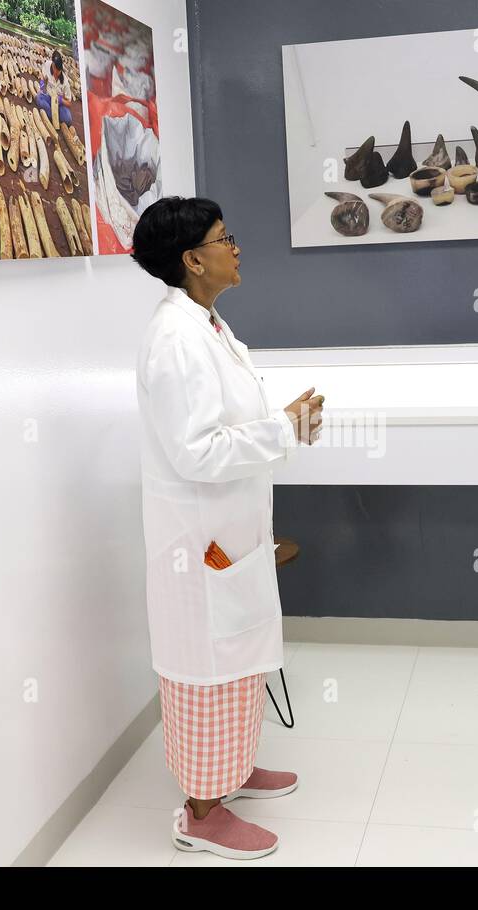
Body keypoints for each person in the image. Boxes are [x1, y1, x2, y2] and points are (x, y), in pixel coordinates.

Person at [130, 197, 324, 860]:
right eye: (224, 238)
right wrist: (282, 429)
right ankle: (200, 813)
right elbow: (196, 452)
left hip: (228, 534)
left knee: (238, 664)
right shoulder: (176, 339)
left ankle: (230, 776)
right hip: (200, 543)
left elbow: (229, 427)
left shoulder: (206, 324)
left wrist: (282, 425)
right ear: (192, 259)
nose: (235, 247)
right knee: (208, 669)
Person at [37, 50, 74, 125]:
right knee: (39, 97)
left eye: (58, 72)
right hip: (49, 98)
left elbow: (69, 103)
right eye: (55, 71)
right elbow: (42, 78)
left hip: (59, 104)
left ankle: (52, 114)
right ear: (52, 65)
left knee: (68, 119)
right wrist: (41, 87)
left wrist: (61, 100)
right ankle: (52, 114)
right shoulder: (47, 65)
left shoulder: (65, 82)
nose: (56, 74)